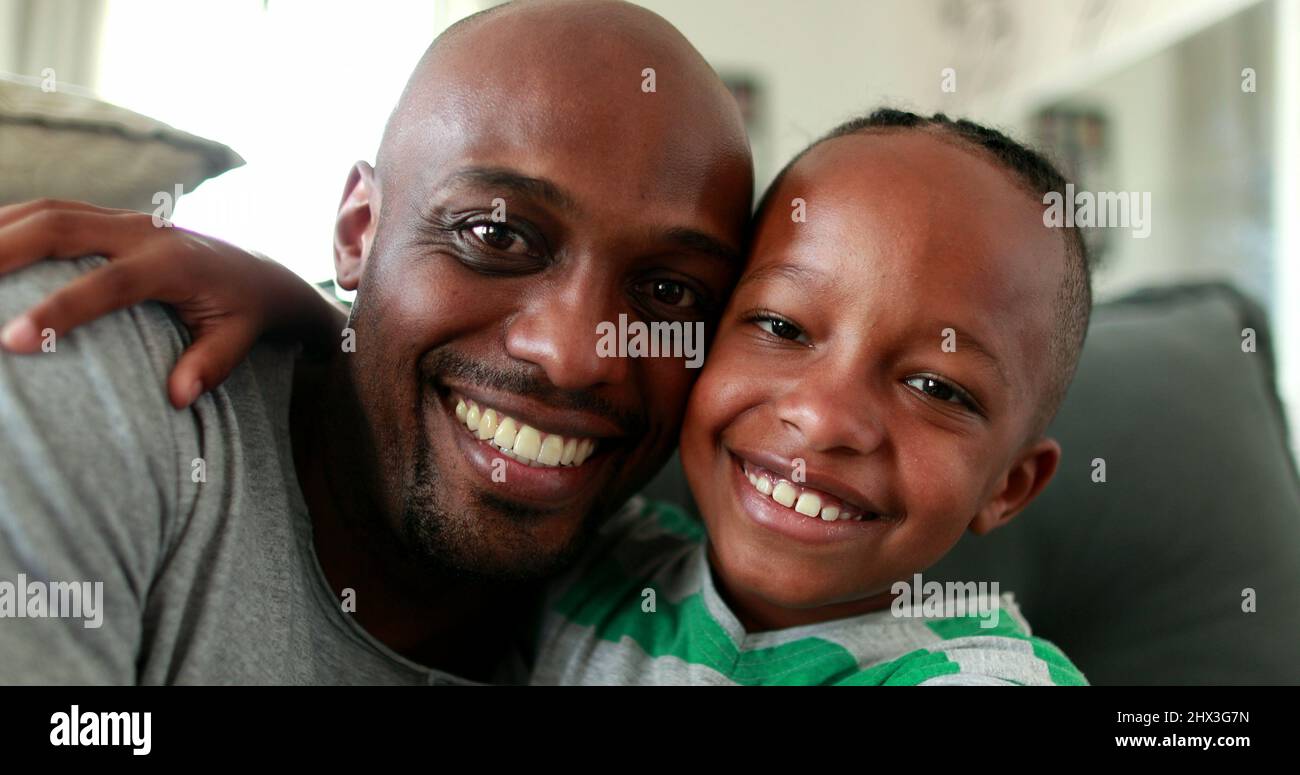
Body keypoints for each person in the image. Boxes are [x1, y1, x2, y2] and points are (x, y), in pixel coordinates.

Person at [1, 107, 1093, 684]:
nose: (826, 416)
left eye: (939, 385)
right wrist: (328, 315)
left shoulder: (969, 674)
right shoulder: (614, 567)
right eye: (780, 327)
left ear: (1014, 484)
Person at [0, 0, 752, 684]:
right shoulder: (84, 366)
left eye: (669, 291)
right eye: (495, 234)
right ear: (359, 231)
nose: (575, 355)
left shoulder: (693, 575)